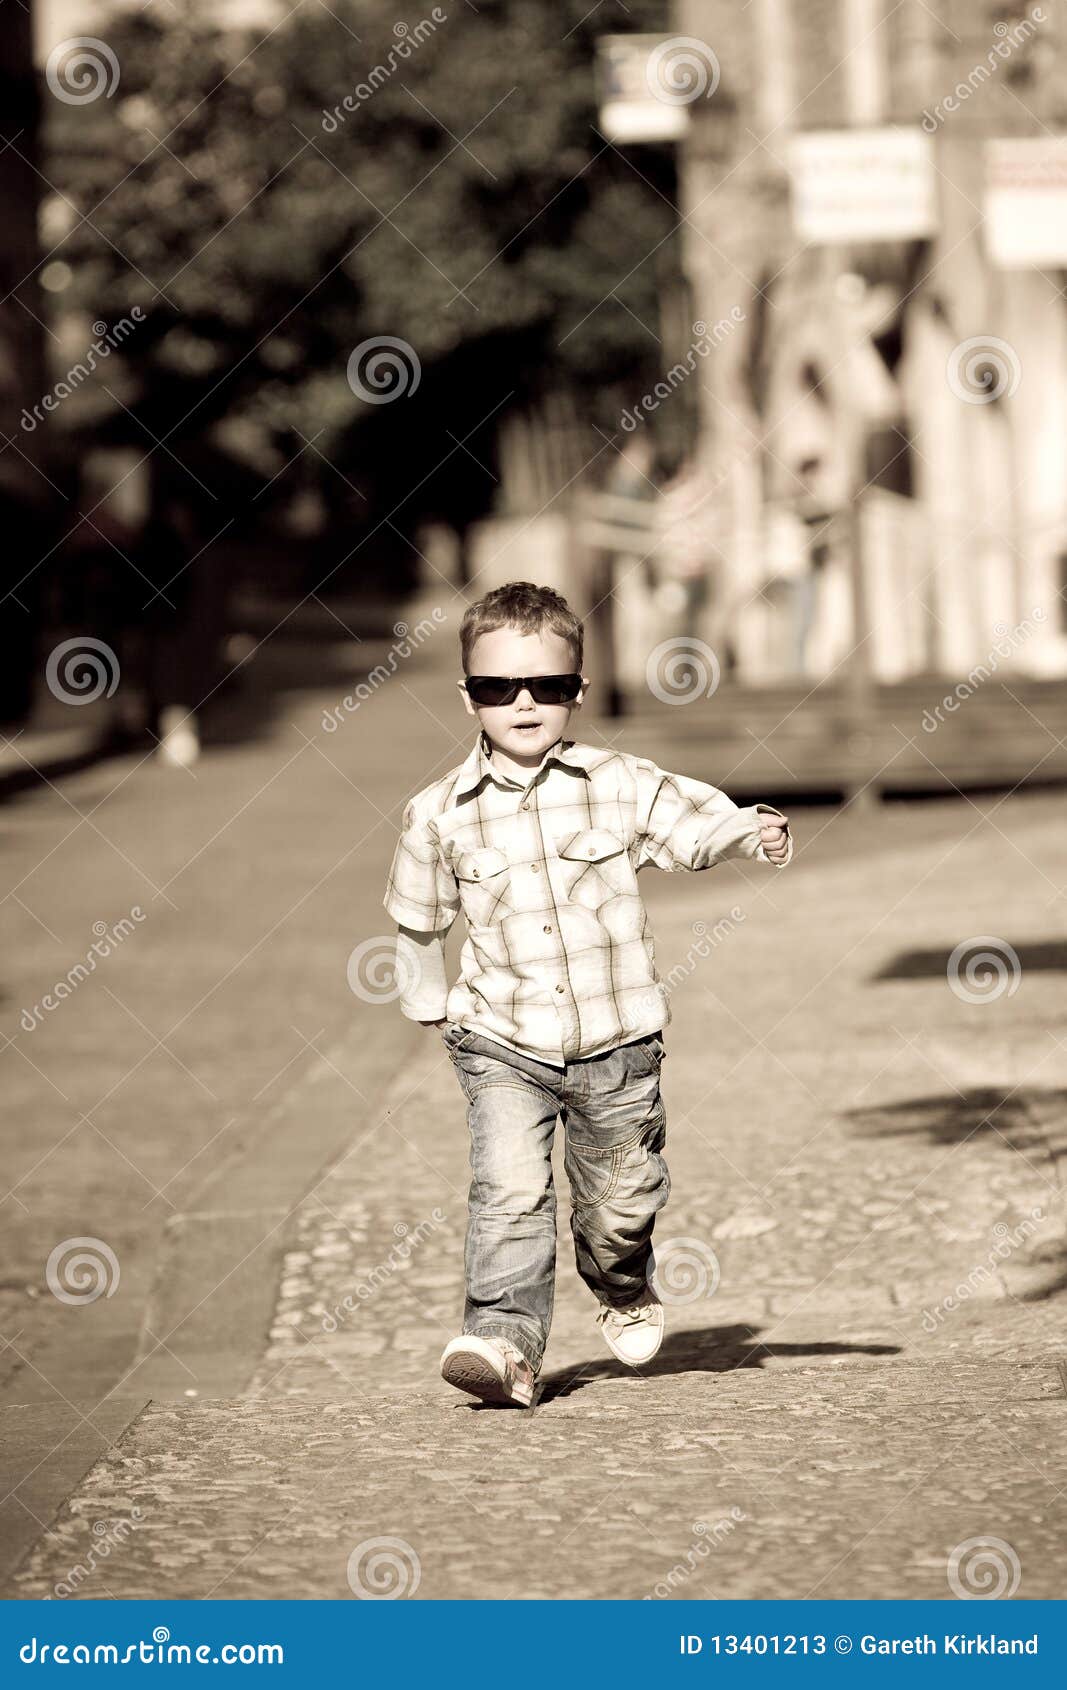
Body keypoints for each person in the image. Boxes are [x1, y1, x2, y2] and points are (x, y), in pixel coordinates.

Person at [383, 581, 792, 1408]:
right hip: (499, 1040)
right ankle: (504, 1344)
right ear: (469, 698)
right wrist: (428, 1005)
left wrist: (747, 828)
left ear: (578, 689)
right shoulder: (437, 815)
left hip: (618, 1043)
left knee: (619, 1207)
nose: (525, 704)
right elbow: (418, 920)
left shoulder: (618, 783)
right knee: (509, 1190)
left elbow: (688, 824)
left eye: (549, 686)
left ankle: (622, 1285)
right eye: (500, 688)